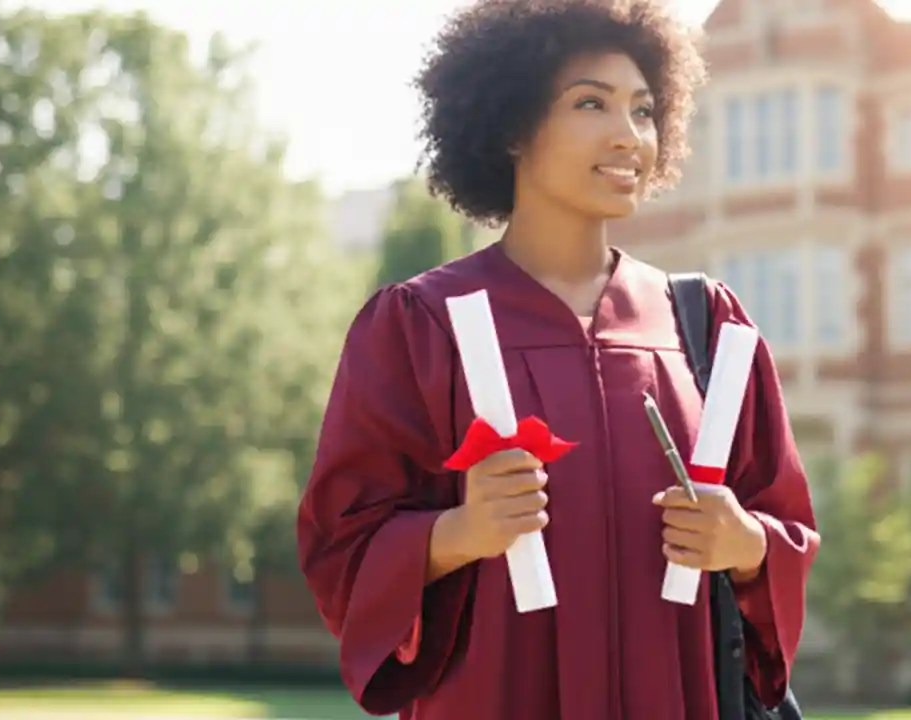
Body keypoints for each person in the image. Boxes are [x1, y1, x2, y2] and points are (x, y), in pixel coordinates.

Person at [295, 1, 819, 718]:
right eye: (591, 103)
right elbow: (341, 547)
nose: (629, 135)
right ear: (513, 126)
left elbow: (783, 527)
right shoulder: (421, 327)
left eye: (642, 110)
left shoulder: (705, 326)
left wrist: (746, 542)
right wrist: (457, 534)